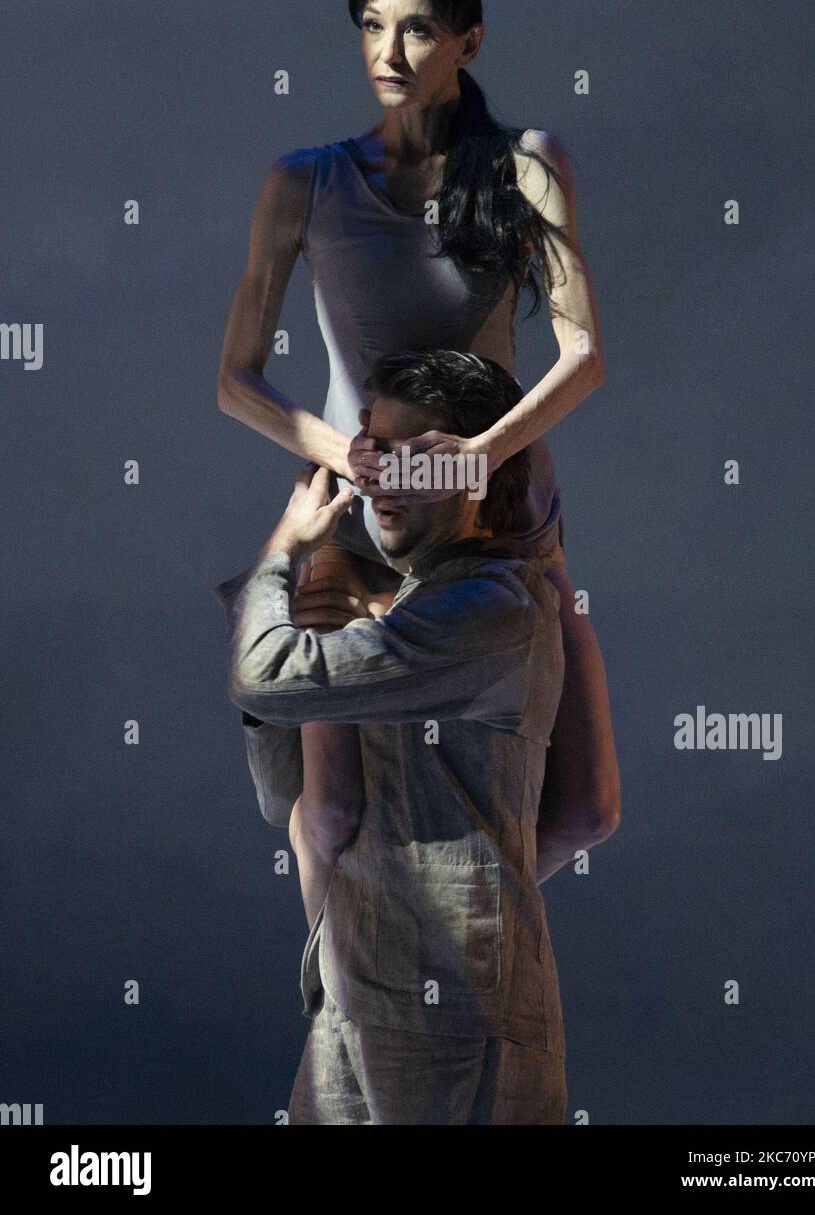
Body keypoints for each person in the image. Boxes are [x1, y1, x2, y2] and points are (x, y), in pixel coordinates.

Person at [217, 0, 619, 939]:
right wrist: (336, 450)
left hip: (498, 518)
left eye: (416, 28)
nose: (386, 50)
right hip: (359, 519)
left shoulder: (525, 164)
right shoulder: (305, 180)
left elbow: (582, 354)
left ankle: (433, 949)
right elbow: (236, 379)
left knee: (581, 807)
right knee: (332, 813)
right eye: (370, 26)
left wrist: (483, 451)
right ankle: (345, 1010)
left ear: (467, 41)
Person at [215, 350, 619, 1125]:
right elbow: (590, 813)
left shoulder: (479, 613)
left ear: (476, 467)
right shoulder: (429, 612)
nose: (379, 476)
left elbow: (276, 710)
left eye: (412, 454)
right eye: (372, 448)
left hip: (438, 1025)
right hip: (370, 1008)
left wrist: (287, 553)